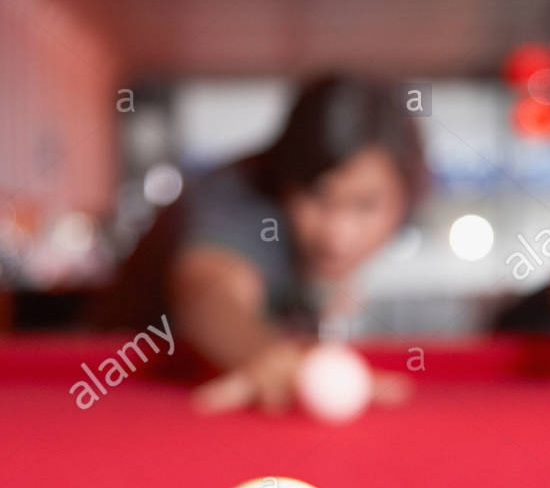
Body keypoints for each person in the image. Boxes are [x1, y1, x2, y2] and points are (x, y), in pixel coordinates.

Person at [99, 75, 427, 412]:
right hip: (108, 375)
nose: (336, 234)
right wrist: (266, 355)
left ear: (406, 196)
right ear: (284, 180)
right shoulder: (235, 196)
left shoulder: (405, 203)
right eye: (316, 197)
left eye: (365, 205)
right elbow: (208, 291)